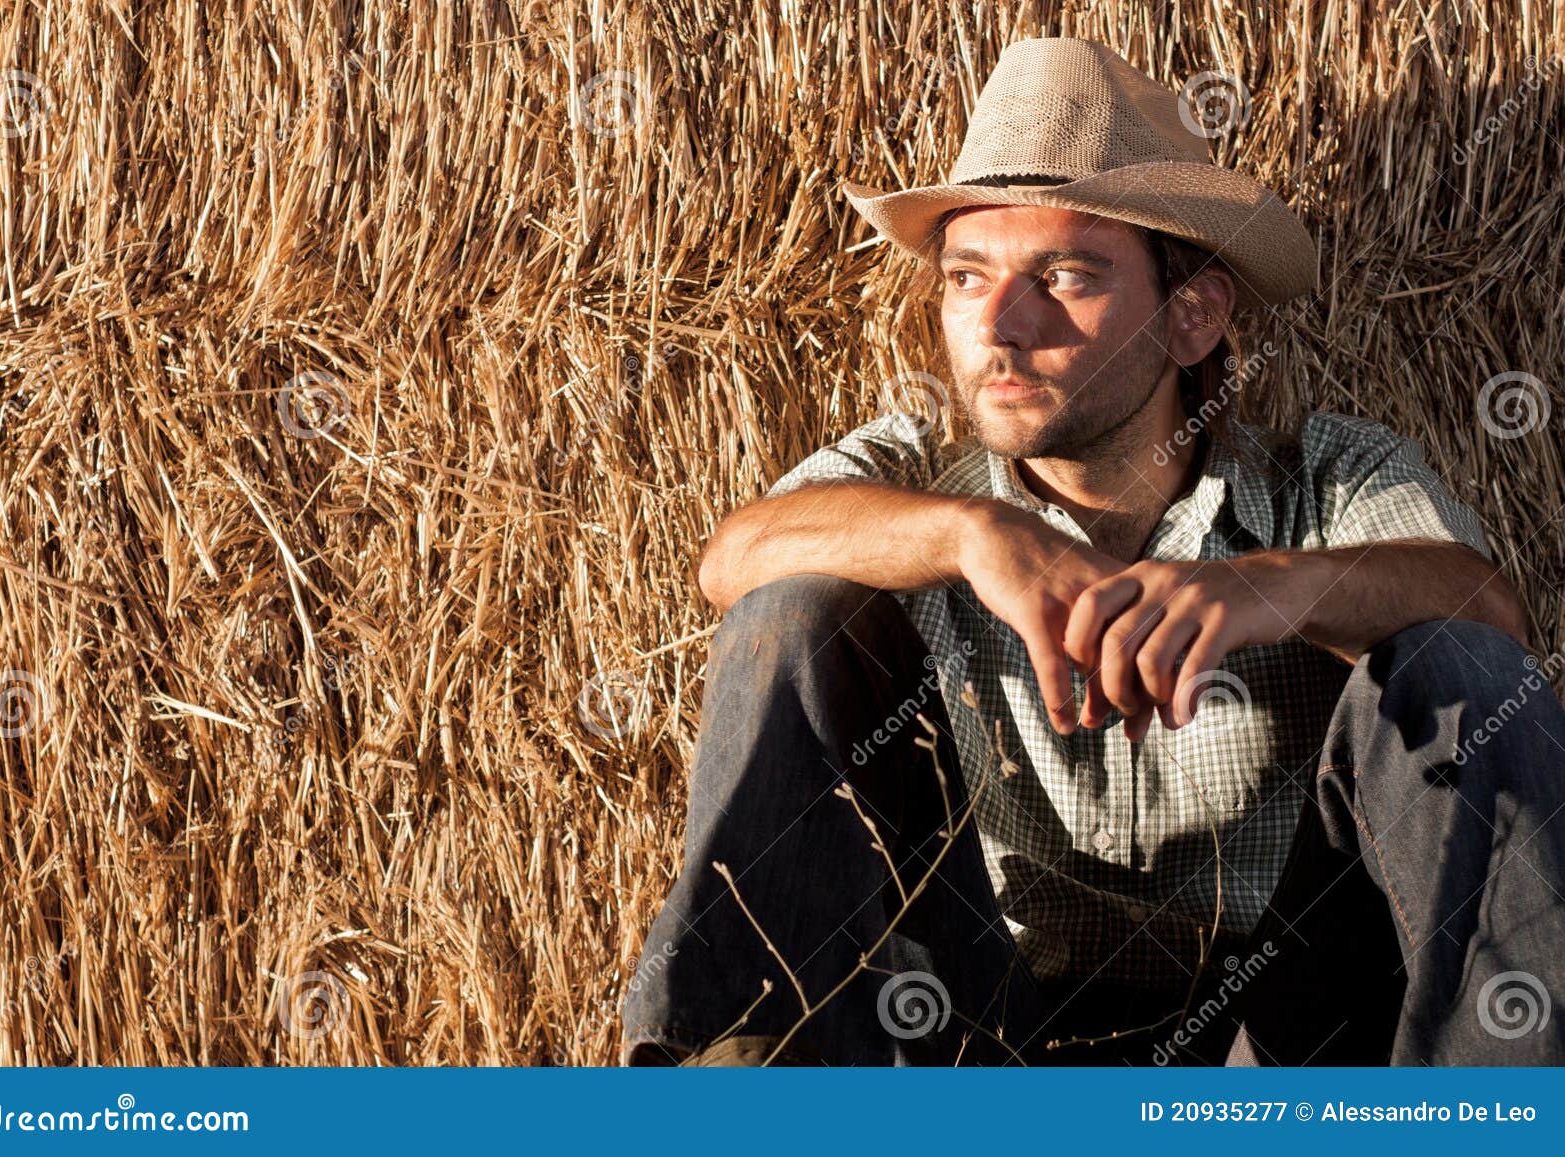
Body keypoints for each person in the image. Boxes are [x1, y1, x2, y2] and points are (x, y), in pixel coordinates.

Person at [620, 36, 1565, 1066]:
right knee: (789, 611)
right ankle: (718, 1098)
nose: (1000, 328)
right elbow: (733, 556)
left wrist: (1267, 588)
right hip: (983, 1035)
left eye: (1062, 274)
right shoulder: (909, 478)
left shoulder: (1322, 477)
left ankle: (1510, 1109)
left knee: (1457, 669)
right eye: (966, 277)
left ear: (1192, 317)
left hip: (1281, 1034)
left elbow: (1491, 622)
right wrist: (972, 534)